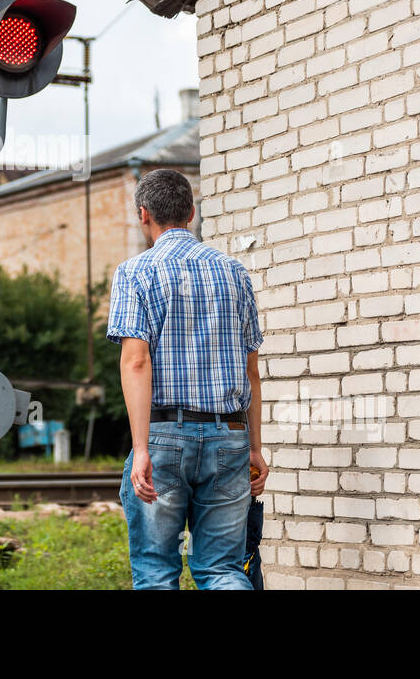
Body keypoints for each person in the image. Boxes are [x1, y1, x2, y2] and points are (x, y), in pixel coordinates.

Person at [108, 169, 267, 590]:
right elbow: (251, 370)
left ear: (144, 215)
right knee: (223, 570)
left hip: (164, 437)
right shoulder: (234, 273)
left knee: (157, 571)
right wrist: (254, 448)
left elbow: (136, 362)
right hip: (229, 435)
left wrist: (141, 449)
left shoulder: (134, 273)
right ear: (192, 212)